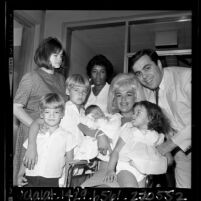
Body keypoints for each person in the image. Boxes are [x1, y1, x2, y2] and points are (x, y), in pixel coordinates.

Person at [129, 48, 191, 188]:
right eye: (139, 73)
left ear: (159, 64)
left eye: (147, 68)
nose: (144, 76)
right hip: (181, 153)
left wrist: (168, 145)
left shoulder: (186, 77)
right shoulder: (149, 95)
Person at [13, 37, 68, 185]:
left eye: (61, 55)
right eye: (55, 55)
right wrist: (37, 127)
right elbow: (16, 108)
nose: (60, 59)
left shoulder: (61, 79)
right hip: (31, 134)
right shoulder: (31, 77)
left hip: (53, 135)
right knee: (26, 180)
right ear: (44, 54)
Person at [80, 73, 146, 187]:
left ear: (136, 96)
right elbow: (81, 125)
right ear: (114, 98)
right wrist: (99, 134)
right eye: (119, 95)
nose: (123, 99)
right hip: (105, 170)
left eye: (129, 94)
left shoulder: (143, 122)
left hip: (131, 172)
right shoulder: (111, 119)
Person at [104, 100, 173, 187]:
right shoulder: (129, 130)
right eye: (133, 112)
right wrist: (110, 169)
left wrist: (164, 161)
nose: (133, 115)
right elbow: (116, 151)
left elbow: (166, 156)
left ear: (150, 117)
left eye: (138, 112)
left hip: (143, 173)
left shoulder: (156, 136)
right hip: (126, 168)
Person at [17, 93, 76, 187]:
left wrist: (66, 182)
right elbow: (26, 157)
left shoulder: (67, 136)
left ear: (62, 114)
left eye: (56, 112)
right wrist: (20, 175)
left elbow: (70, 161)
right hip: (30, 178)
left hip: (52, 180)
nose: (51, 116)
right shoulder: (35, 134)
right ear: (41, 114)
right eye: (47, 112)